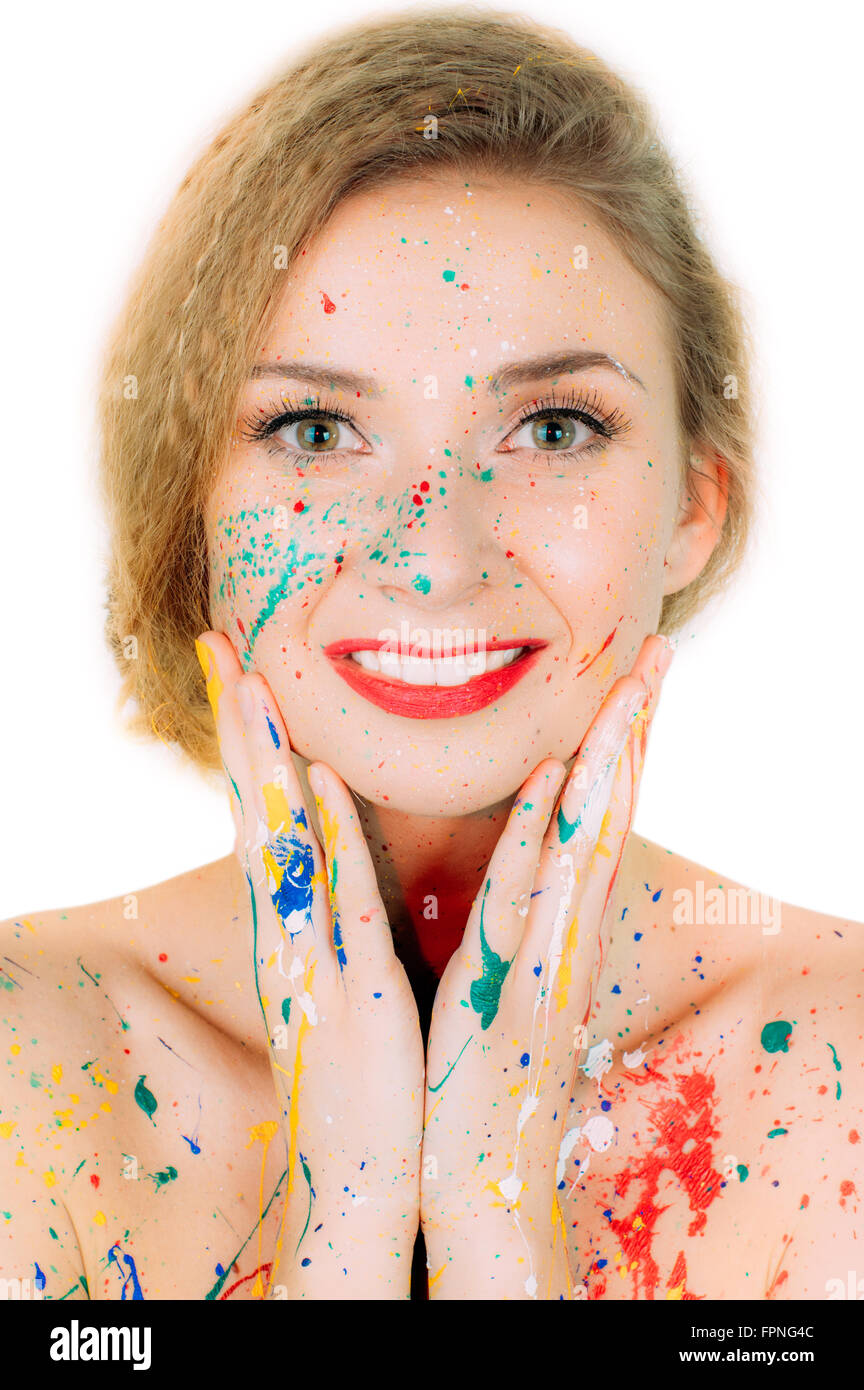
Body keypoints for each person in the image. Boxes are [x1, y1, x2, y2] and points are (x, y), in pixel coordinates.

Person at [1, 8, 859, 1302]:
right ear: (193, 503)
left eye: (555, 427)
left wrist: (497, 1215)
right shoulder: (31, 1061)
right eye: (315, 427)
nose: (436, 555)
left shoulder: (836, 1068)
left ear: (695, 501)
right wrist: (344, 1215)